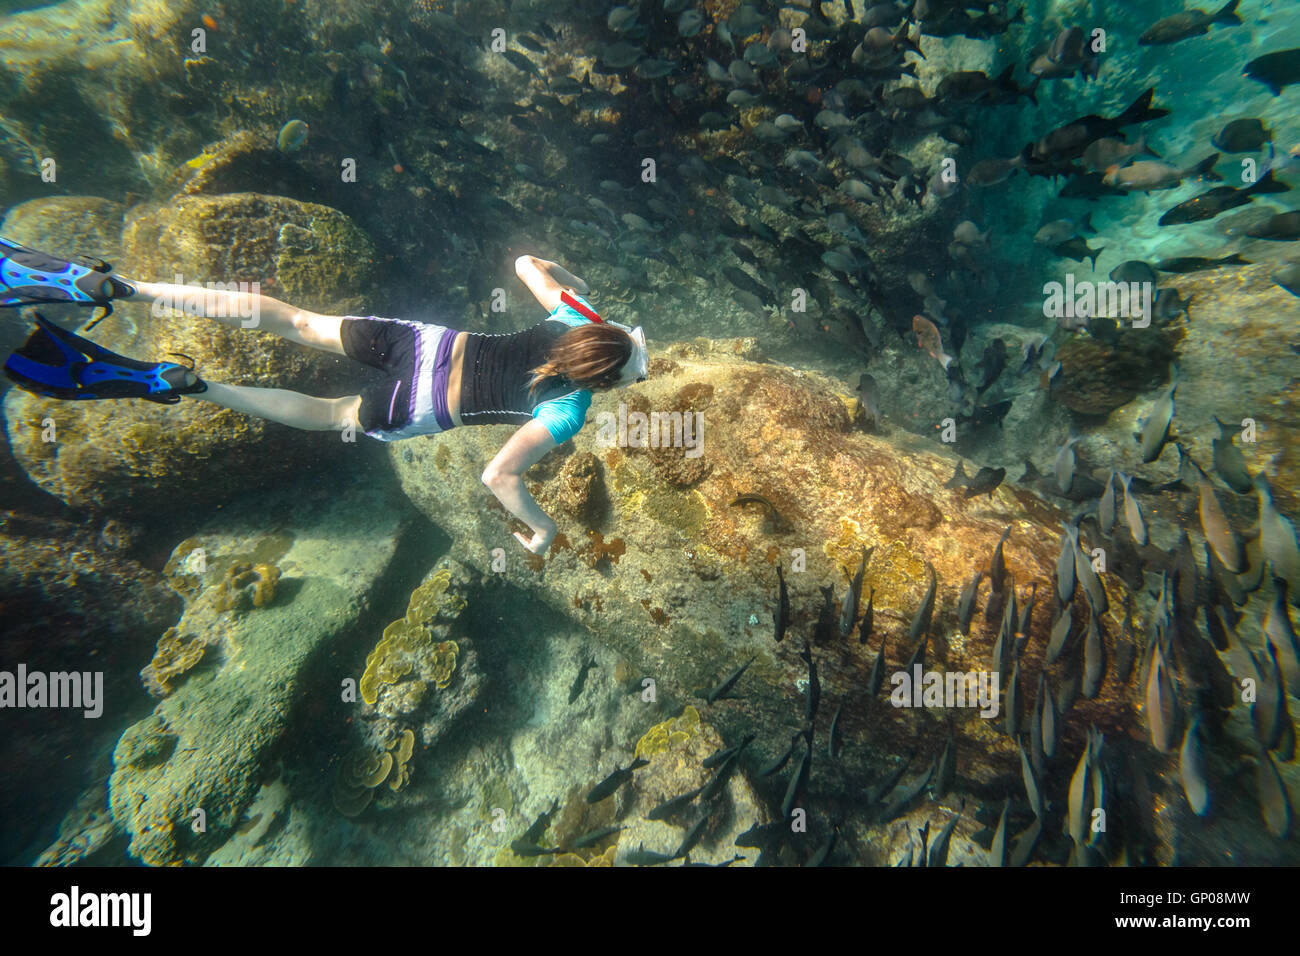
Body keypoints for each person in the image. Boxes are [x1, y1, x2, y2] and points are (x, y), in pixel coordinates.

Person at [1, 237, 648, 554]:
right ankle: (195, 384)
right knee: (326, 415)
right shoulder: (567, 411)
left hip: (426, 346)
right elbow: (497, 474)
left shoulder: (581, 318)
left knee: (296, 321)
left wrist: (573, 278)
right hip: (425, 407)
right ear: (607, 383)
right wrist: (542, 528)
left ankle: (124, 289)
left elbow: (526, 265)